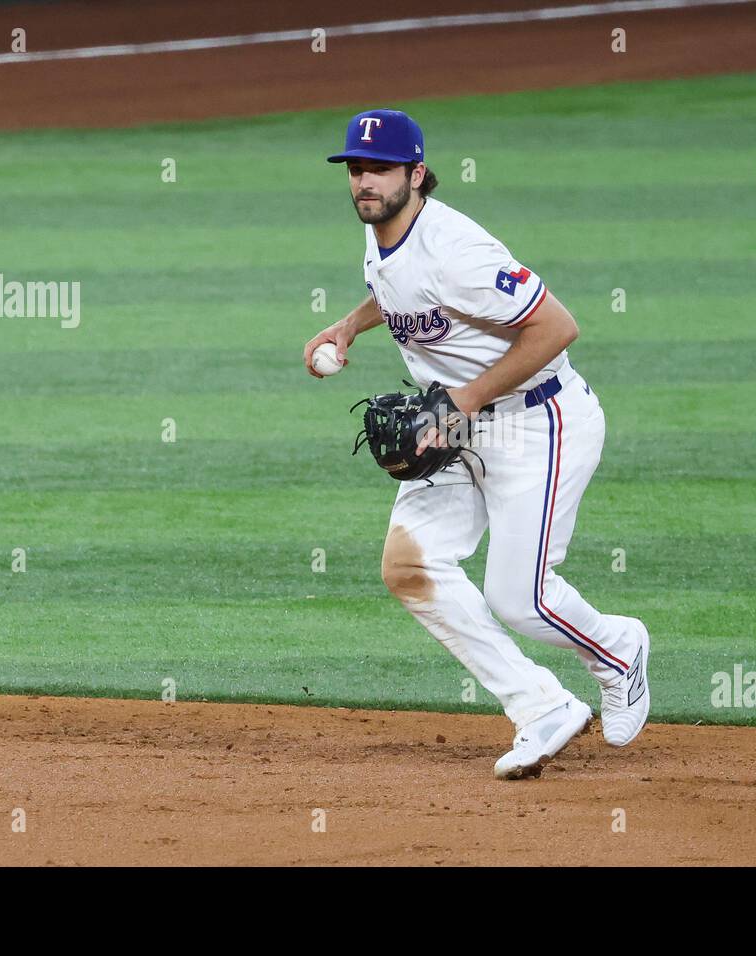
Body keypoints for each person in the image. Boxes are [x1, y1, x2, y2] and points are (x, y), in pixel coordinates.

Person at [303, 109, 650, 779]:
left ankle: (617, 651)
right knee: (411, 568)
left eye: (379, 169)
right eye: (355, 169)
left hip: (536, 421)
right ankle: (540, 706)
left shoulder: (458, 250)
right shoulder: (383, 233)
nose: (364, 182)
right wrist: (348, 327)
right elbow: (396, 291)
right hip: (458, 425)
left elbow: (557, 327)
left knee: (521, 600)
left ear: (418, 173)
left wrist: (462, 400)